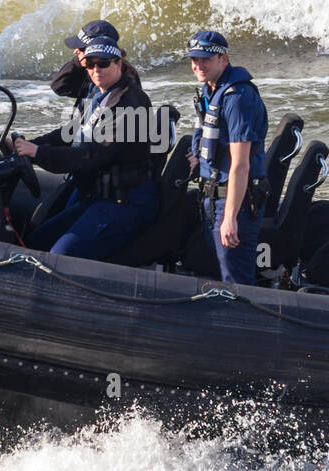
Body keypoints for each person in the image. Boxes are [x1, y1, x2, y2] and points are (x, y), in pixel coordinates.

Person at [14, 34, 159, 260]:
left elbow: (91, 156)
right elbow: (73, 131)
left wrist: (39, 153)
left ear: (119, 64)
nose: (96, 70)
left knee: (61, 254)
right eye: (90, 64)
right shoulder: (101, 96)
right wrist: (31, 145)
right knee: (38, 240)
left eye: (103, 63)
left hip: (126, 203)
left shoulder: (129, 104)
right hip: (100, 196)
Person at [187, 30, 268, 285]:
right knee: (221, 270)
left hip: (235, 200)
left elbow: (240, 165)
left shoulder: (237, 98)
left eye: (205, 59)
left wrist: (230, 217)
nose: (198, 65)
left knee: (236, 281)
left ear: (224, 59)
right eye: (194, 60)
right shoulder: (211, 89)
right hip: (214, 195)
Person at [50, 19, 139, 99]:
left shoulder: (107, 78)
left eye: (81, 48)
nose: (75, 51)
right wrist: (82, 61)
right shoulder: (94, 71)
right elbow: (58, 86)